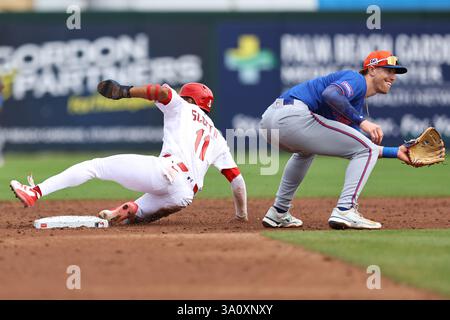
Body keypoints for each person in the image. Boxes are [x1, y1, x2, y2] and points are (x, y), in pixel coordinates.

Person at [10, 80, 248, 224]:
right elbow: (236, 180)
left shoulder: (182, 106)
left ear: (188, 97)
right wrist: (241, 216)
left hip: (167, 171)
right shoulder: (217, 137)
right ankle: (129, 210)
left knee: (96, 166)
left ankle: (35, 192)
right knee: (138, 214)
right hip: (184, 195)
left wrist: (125, 91)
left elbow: (163, 92)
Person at [259, 50, 412, 230]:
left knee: (307, 152)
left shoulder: (351, 105)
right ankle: (345, 209)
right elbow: (331, 94)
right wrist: (362, 122)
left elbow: (359, 148)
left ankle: (278, 211)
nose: (393, 77)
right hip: (292, 116)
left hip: (270, 120)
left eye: (395, 72)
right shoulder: (356, 79)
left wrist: (397, 152)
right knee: (366, 149)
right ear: (371, 70)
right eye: (388, 70)